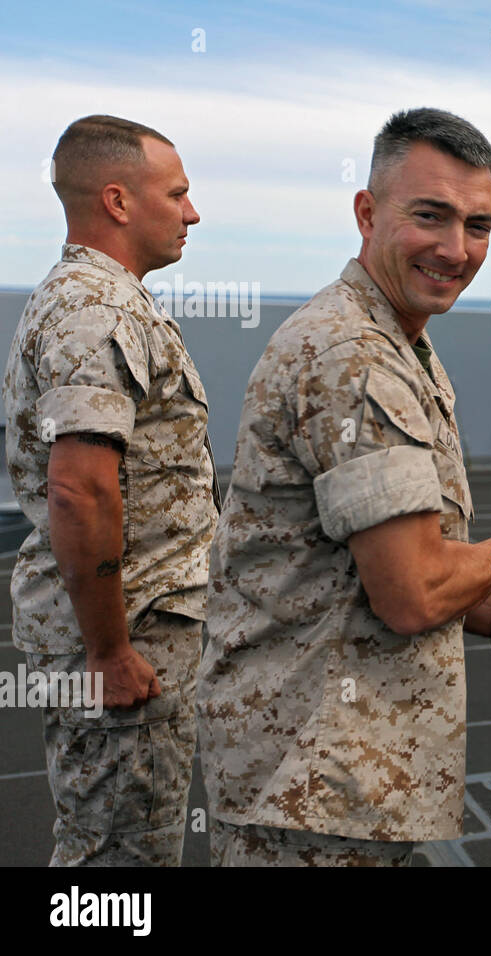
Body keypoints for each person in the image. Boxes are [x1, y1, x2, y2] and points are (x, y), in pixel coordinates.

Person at [196, 107, 491, 867]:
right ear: (367, 212)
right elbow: (412, 593)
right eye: (431, 216)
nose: (456, 250)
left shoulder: (398, 341)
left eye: (479, 225)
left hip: (337, 779)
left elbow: (378, 566)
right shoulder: (355, 358)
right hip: (313, 789)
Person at [3, 115, 220, 866]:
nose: (192, 212)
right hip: (127, 642)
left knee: (116, 847)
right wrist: (109, 650)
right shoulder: (97, 309)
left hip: (134, 630)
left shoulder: (95, 299)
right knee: (119, 859)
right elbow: (79, 491)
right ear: (120, 202)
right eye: (179, 193)